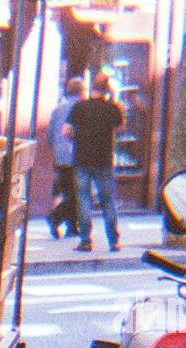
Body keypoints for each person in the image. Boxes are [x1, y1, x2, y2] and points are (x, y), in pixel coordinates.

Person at [65, 73, 124, 253]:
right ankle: (113, 241)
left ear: (92, 89)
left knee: (83, 199)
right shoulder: (113, 108)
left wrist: (77, 139)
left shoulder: (79, 107)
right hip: (104, 160)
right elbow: (121, 128)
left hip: (82, 158)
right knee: (108, 200)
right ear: (107, 90)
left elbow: (66, 131)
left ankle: (85, 240)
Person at [46, 78, 85, 239]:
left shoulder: (58, 109)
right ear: (81, 91)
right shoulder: (81, 108)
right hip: (75, 154)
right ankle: (55, 217)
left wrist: (55, 148)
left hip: (59, 156)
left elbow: (50, 134)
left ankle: (72, 227)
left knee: (68, 191)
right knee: (76, 193)